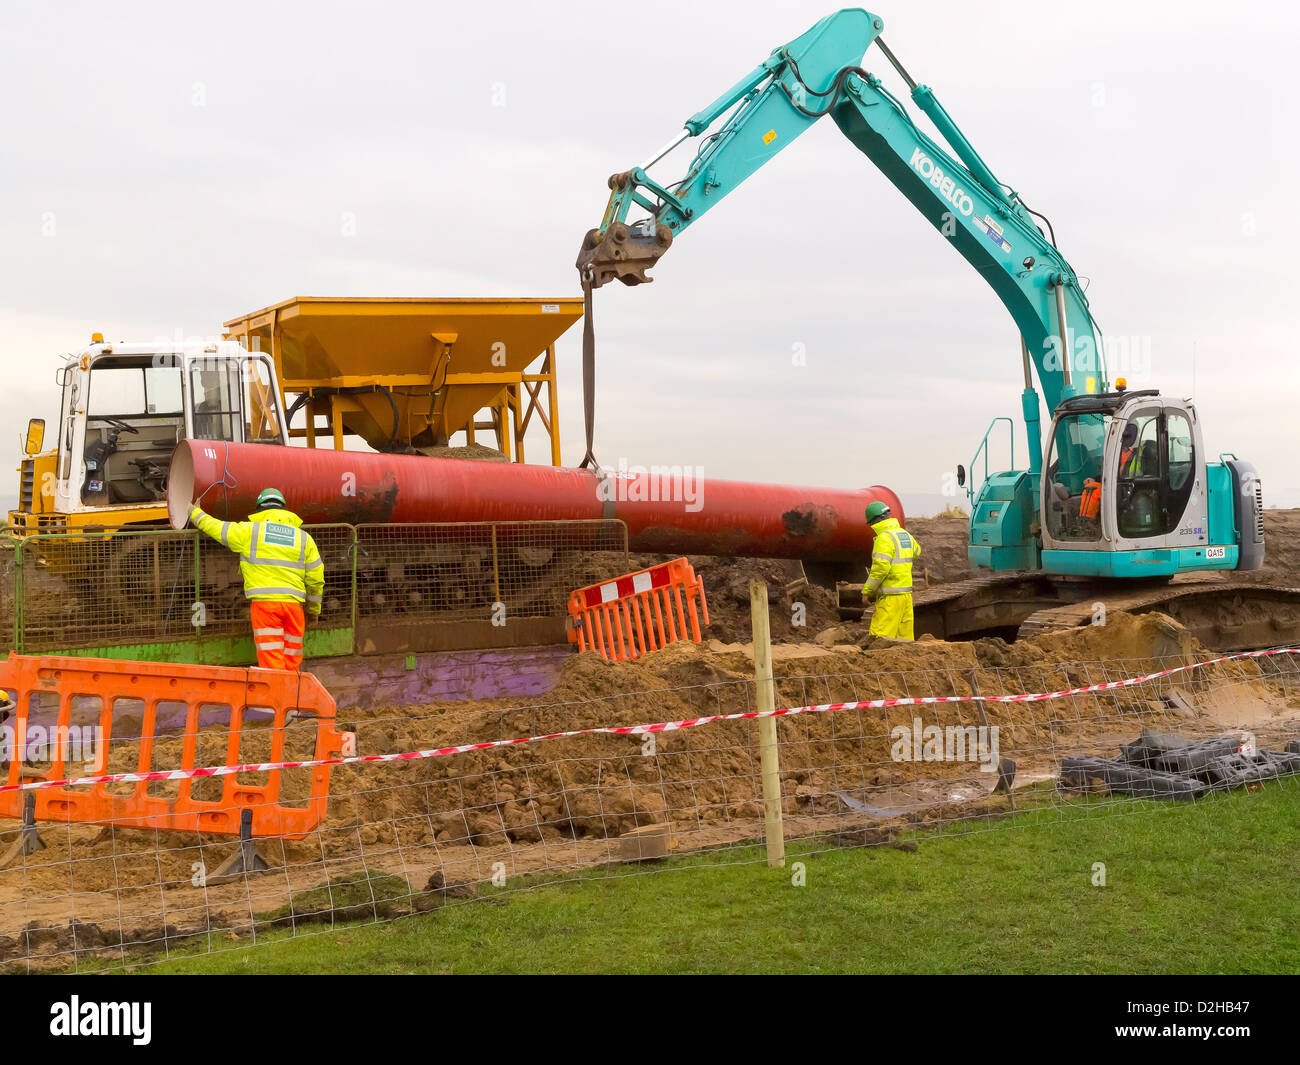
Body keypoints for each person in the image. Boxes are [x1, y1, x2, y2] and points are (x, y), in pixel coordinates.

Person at [188, 488, 324, 670]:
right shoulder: (304, 539)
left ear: (260, 509)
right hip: (294, 607)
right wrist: (313, 610)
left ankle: (276, 697)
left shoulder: (250, 531)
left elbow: (216, 528)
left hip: (265, 607)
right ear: (284, 509)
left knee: (272, 661)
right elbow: (316, 579)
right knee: (291, 662)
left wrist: (194, 512)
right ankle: (292, 696)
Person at [861, 501, 921, 641]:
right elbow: (917, 551)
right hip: (906, 597)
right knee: (904, 641)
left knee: (879, 640)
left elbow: (880, 569)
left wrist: (867, 592)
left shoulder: (884, 538)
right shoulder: (904, 534)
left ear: (874, 521)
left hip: (890, 599)